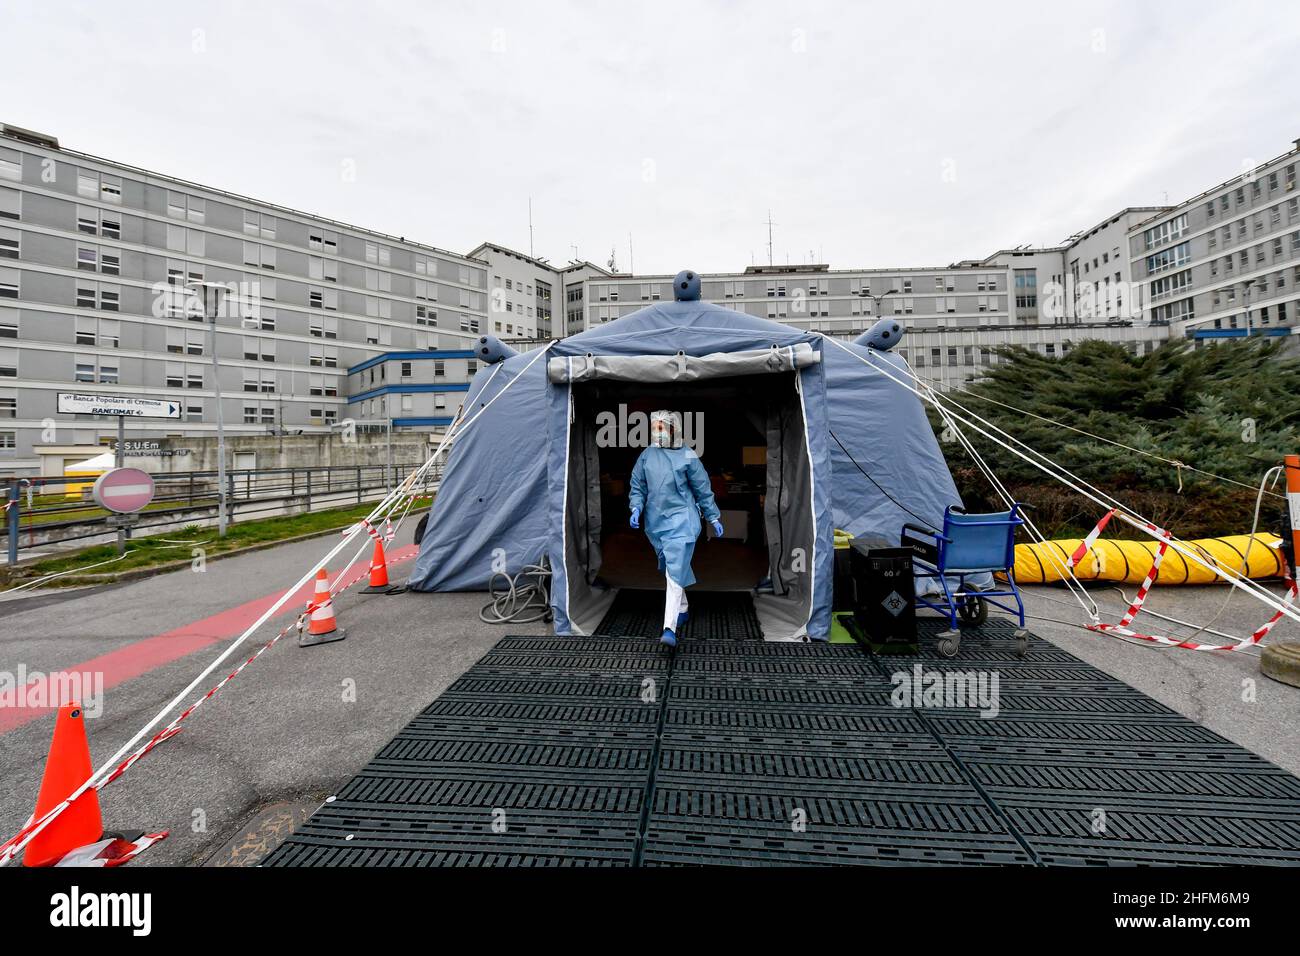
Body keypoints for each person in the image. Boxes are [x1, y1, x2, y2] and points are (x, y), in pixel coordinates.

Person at [629, 410, 723, 647]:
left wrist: (712, 516)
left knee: (674, 569)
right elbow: (638, 486)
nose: (656, 432)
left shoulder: (688, 455)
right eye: (654, 427)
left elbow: (702, 488)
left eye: (661, 427)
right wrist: (636, 508)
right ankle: (683, 607)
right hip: (656, 522)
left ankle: (669, 627)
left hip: (683, 520)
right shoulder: (646, 456)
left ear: (674, 429)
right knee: (672, 567)